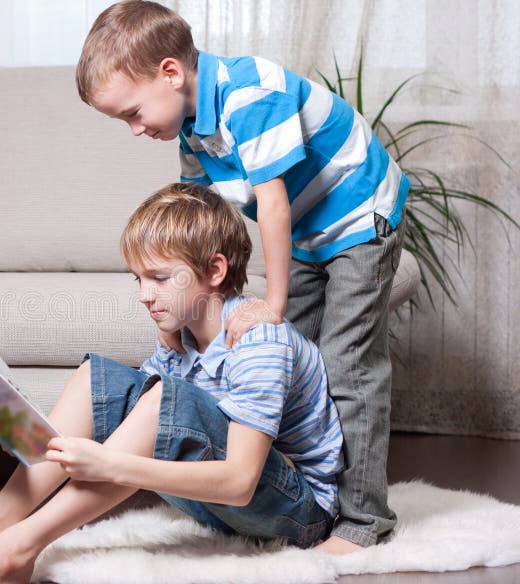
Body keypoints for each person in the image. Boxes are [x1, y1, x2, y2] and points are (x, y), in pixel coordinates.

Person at [76, 0, 407, 553]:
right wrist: (181, 300)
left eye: (132, 113)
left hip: (359, 217)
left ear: (171, 73)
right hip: (309, 229)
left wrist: (271, 304)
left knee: (347, 365)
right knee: (284, 357)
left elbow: (272, 206)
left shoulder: (250, 95)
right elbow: (198, 220)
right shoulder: (190, 132)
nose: (134, 129)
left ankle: (364, 522)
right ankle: (289, 491)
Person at [0, 182, 342, 583]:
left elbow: (240, 482)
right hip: (225, 507)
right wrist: (36, 441)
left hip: (293, 513)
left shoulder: (260, 343)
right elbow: (134, 417)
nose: (145, 295)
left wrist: (108, 465)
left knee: (163, 401)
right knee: (100, 379)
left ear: (215, 271)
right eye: (139, 279)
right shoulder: (180, 339)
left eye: (160, 278)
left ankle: (20, 547)